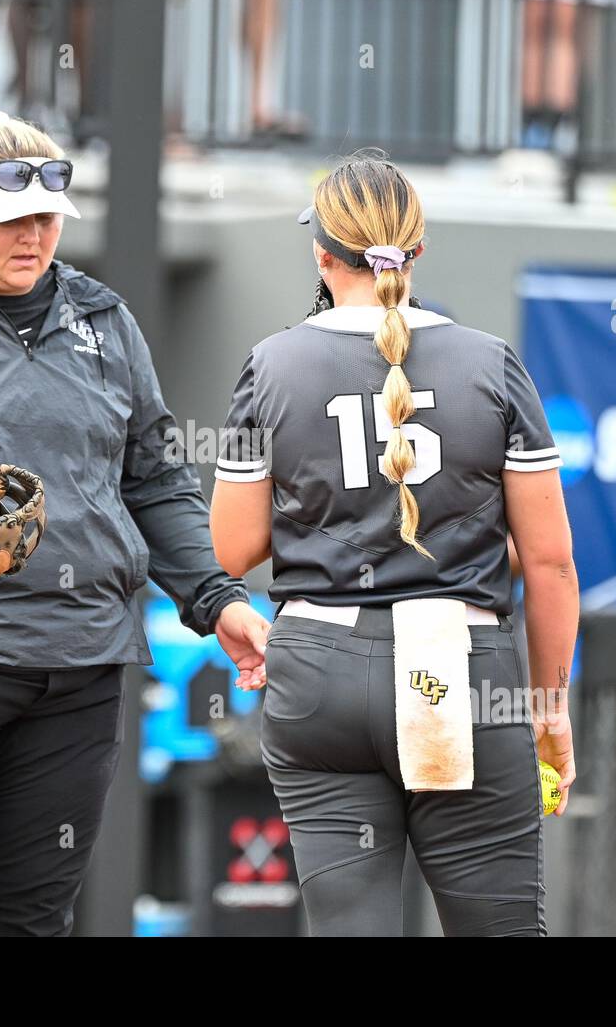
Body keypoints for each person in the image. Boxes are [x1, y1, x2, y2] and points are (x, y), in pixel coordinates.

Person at [0, 108, 270, 937]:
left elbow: (155, 481)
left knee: (38, 919)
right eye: (14, 219)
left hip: (80, 669)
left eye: (49, 219)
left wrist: (220, 599)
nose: (35, 235)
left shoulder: (106, 320)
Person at [209, 153, 578, 936]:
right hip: (462, 667)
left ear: (322, 252)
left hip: (320, 672)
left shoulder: (272, 363)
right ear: (418, 249)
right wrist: (549, 707)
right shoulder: (492, 362)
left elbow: (233, 548)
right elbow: (548, 562)